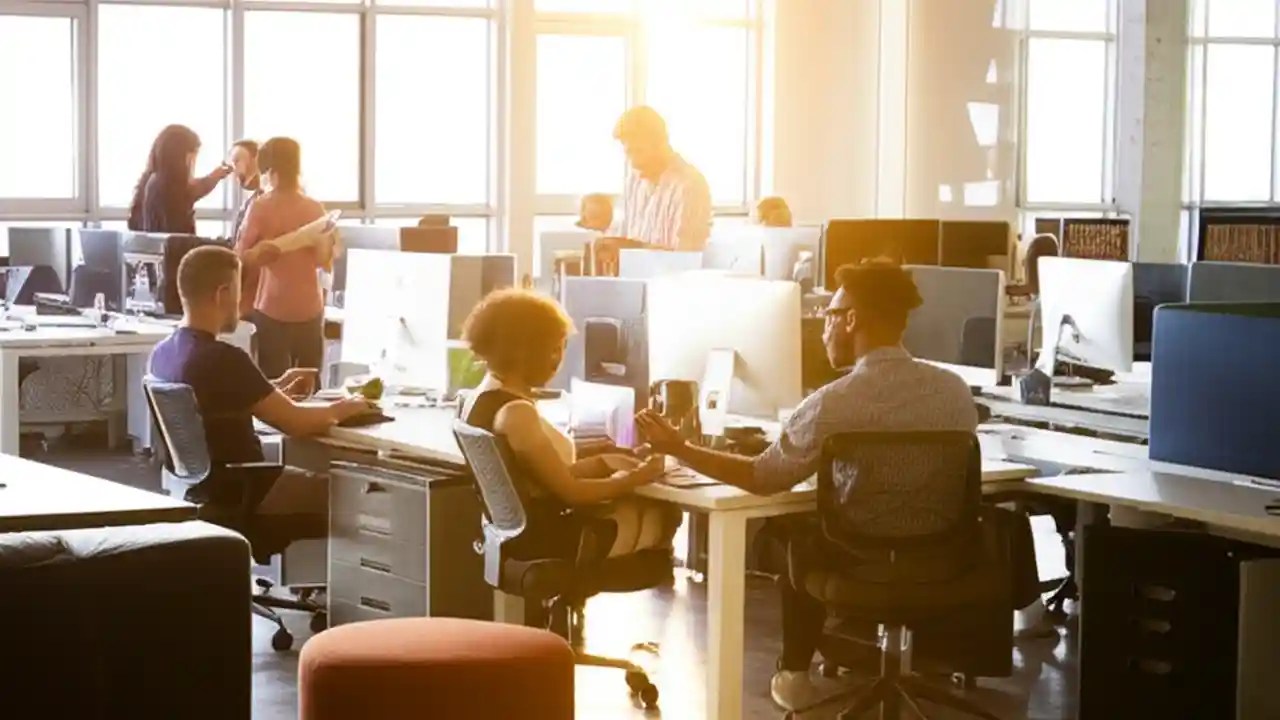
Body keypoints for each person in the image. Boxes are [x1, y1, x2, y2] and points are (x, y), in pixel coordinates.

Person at [635, 261, 981, 712]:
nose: (822, 328)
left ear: (852, 319)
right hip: (944, 557)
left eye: (829, 315)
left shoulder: (831, 404)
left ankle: (795, 673)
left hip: (858, 560)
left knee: (790, 534)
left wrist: (680, 448)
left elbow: (763, 478)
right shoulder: (954, 392)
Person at [148, 246, 370, 538]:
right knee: (359, 495)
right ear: (223, 294)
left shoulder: (163, 354)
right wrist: (351, 405)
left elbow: (218, 401)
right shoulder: (223, 357)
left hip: (204, 485)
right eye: (239, 292)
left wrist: (275, 388)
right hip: (248, 489)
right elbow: (298, 424)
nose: (242, 303)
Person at [458, 288, 680, 560]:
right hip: (549, 541)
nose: (558, 360)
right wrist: (636, 477)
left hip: (513, 536)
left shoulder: (478, 398)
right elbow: (572, 492)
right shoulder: (517, 414)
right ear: (537, 351)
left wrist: (603, 461)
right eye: (556, 348)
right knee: (664, 514)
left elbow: (534, 477)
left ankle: (569, 596)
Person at [235, 137, 334, 379]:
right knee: (302, 387)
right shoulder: (307, 208)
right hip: (288, 309)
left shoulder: (268, 207)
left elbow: (239, 256)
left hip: (293, 308)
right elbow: (242, 257)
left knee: (278, 387)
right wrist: (261, 253)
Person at [594, 106, 712, 269]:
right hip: (634, 281)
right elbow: (622, 238)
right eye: (628, 152)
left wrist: (636, 251)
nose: (632, 162)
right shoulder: (634, 180)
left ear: (660, 144)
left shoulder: (690, 186)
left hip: (672, 287)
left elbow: (686, 261)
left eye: (639, 151)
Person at [129, 124, 232, 234]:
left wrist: (216, 176)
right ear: (184, 156)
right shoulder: (166, 188)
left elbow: (194, 190)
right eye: (194, 156)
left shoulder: (152, 182)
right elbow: (179, 238)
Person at [228, 139, 262, 242]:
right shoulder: (250, 198)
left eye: (236, 161)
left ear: (256, 160)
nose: (232, 169)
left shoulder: (262, 200)